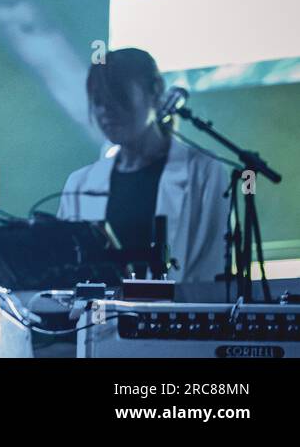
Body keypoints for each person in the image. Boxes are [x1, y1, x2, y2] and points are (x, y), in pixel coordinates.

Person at [58, 48, 231, 285]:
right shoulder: (79, 185)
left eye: (118, 96)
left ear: (155, 91)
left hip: (174, 320)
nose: (105, 110)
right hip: (98, 323)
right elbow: (67, 276)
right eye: (98, 101)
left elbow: (210, 270)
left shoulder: (204, 172)